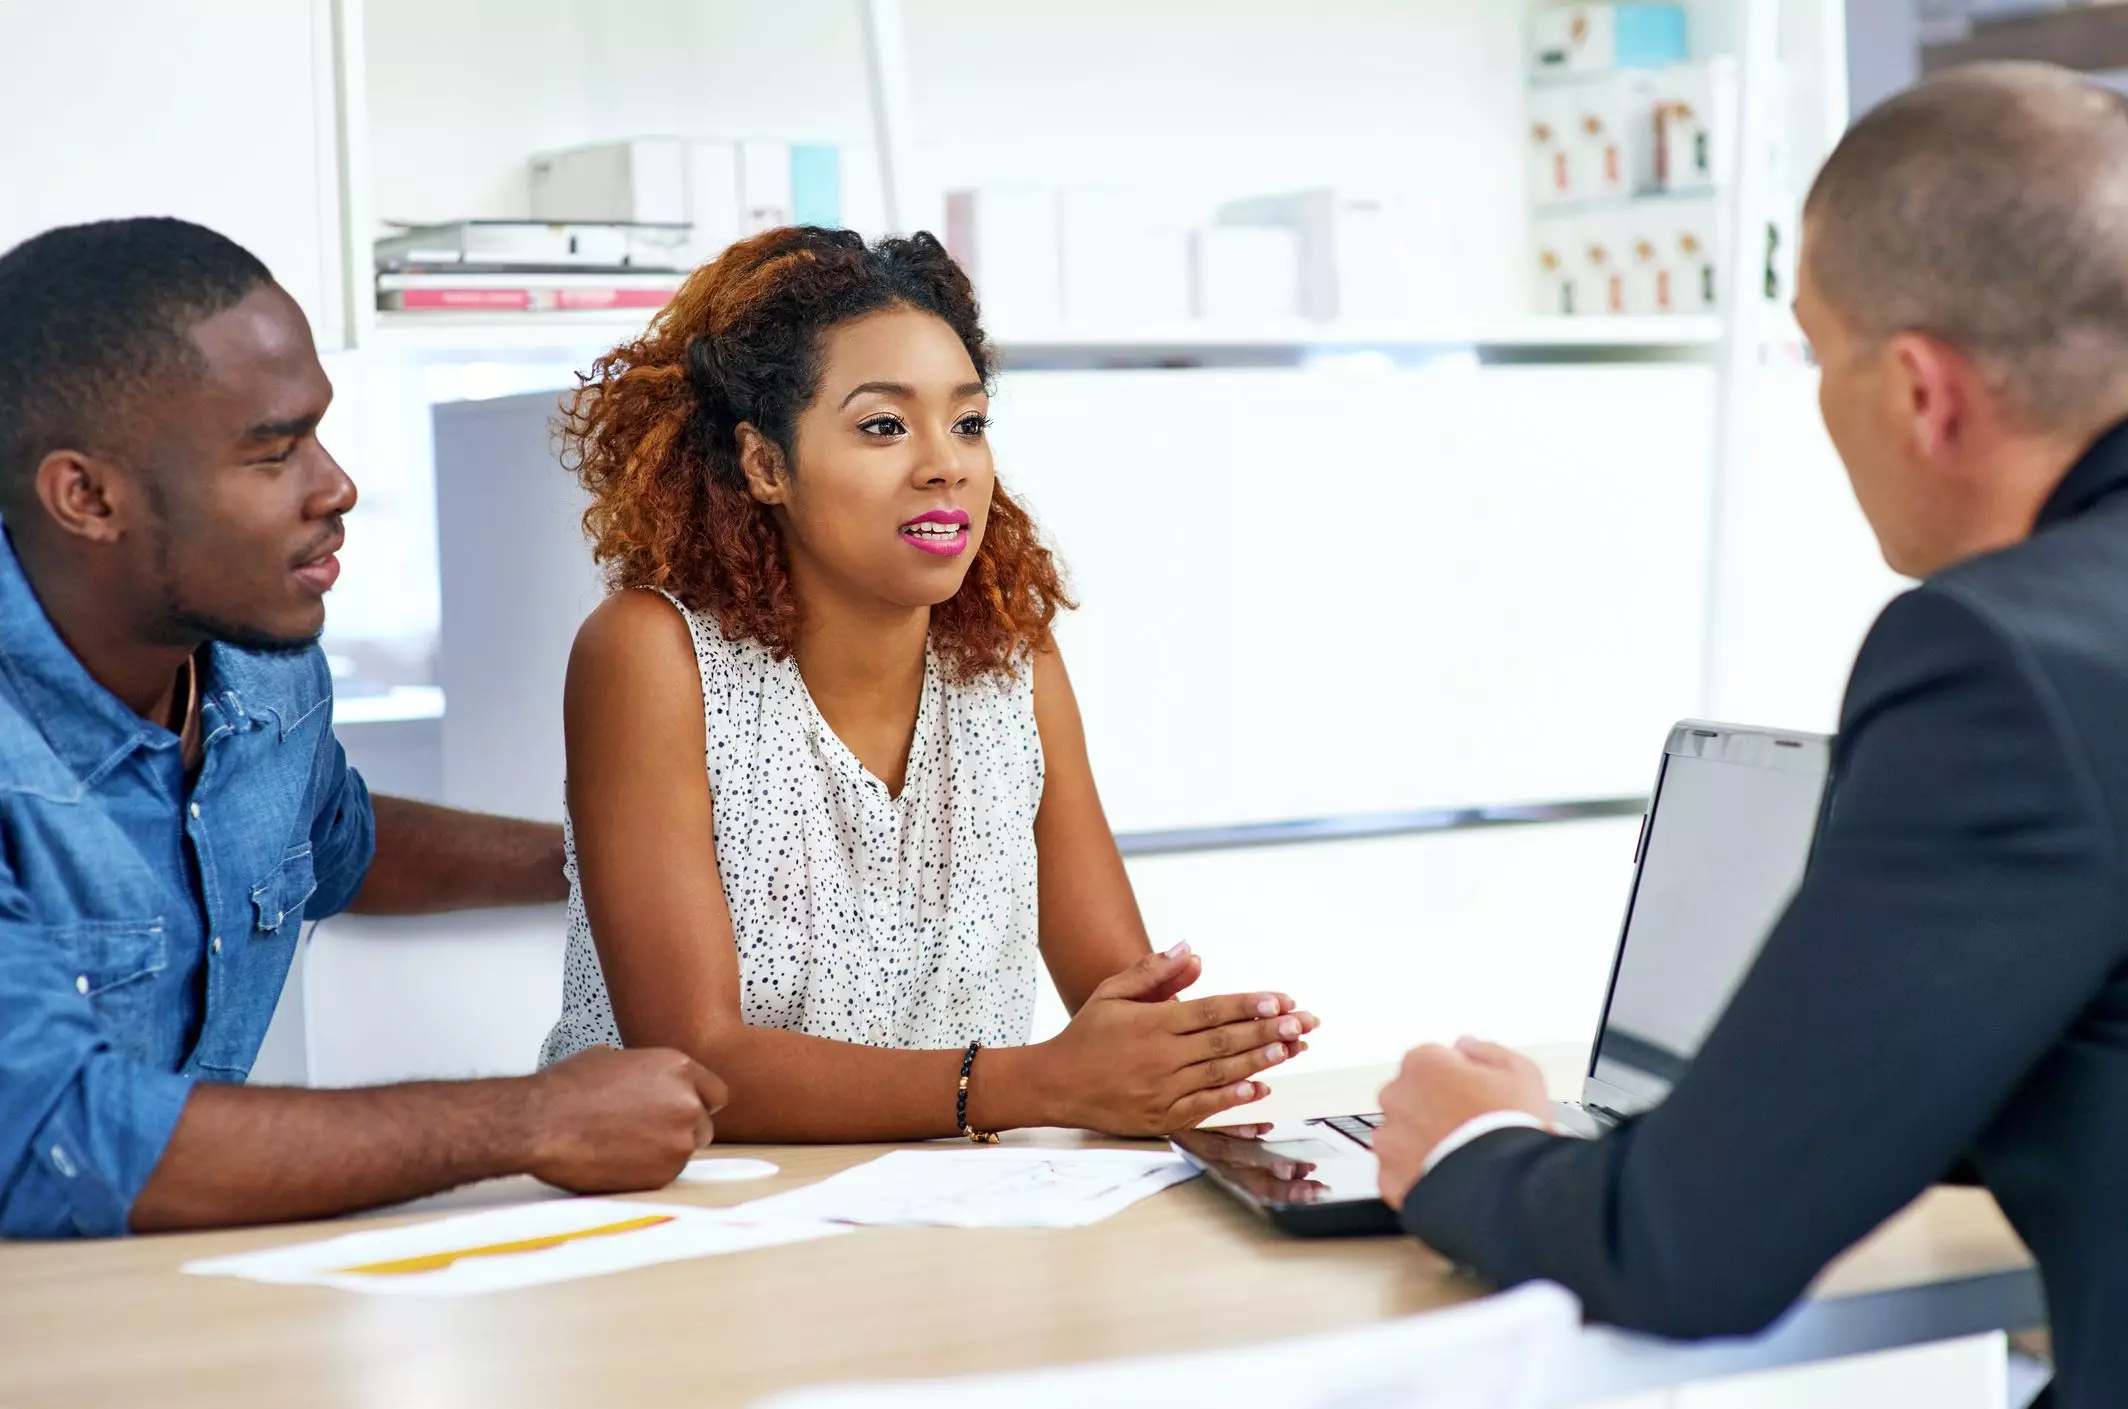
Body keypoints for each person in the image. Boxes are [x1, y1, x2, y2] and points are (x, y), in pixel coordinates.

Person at [1371, 62, 2128, 1409]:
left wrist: (1471, 1150)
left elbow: (1687, 1251)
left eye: (1815, 349)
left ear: (1918, 392)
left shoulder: (2005, 661)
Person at [0, 218, 728, 1239]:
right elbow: (64, 1136)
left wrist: (620, 863)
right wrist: (534, 1117)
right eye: (273, 452)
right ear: (87, 495)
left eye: (318, 430)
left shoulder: (259, 662)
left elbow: (328, 839)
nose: (336, 485)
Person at [545, 226, 1317, 1141]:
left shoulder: (1010, 661)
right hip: (685, 1218)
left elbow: (1117, 1006)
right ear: (765, 464)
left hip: (952, 1215)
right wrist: (1035, 1086)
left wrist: (1186, 1057)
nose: (946, 461)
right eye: (883, 424)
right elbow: (694, 1062)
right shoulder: (649, 654)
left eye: (969, 421)